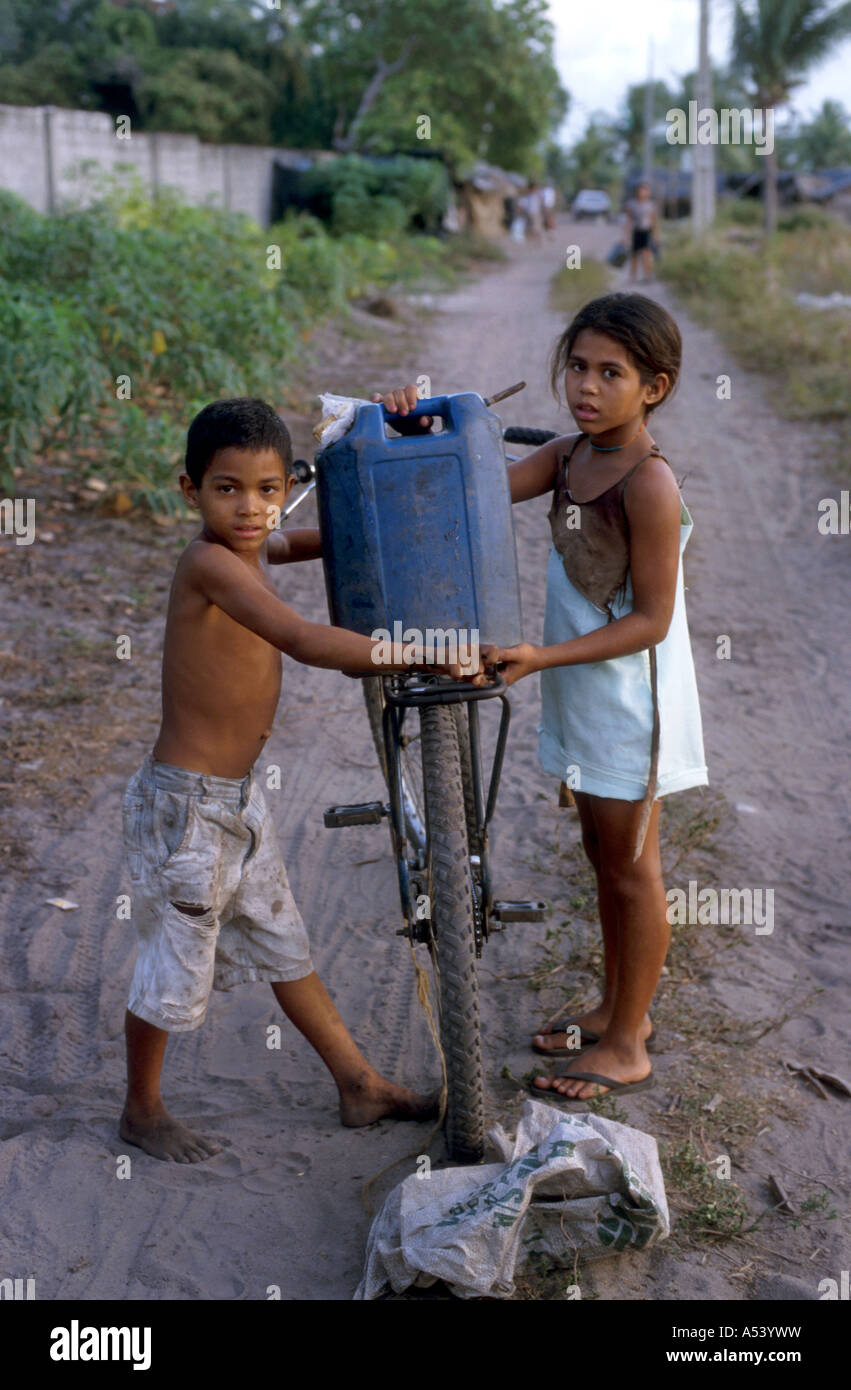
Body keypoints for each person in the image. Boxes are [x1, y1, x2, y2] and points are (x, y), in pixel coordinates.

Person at [120, 397, 489, 1163]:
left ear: (287, 484)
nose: (251, 508)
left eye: (266, 490)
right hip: (187, 809)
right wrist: (421, 650)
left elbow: (333, 538)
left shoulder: (252, 546)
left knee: (286, 947)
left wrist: (395, 468)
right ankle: (142, 1110)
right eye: (227, 489)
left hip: (235, 803)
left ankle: (358, 1083)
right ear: (189, 490)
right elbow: (304, 641)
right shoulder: (210, 564)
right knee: (175, 966)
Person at [377, 292, 707, 1102]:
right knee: (602, 860)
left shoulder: (647, 486)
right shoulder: (567, 455)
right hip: (581, 687)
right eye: (576, 366)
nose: (585, 386)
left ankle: (629, 1041)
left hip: (631, 701)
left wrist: (542, 657)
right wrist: (418, 430)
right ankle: (611, 1008)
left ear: (653, 387)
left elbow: (652, 621)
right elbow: (474, 486)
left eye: (610, 373)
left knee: (633, 869)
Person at [624, 182, 659, 283]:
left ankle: (647, 276)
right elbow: (628, 221)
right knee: (634, 255)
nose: (642, 192)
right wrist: (626, 236)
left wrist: (656, 235)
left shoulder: (650, 205)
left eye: (645, 190)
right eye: (641, 190)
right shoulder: (632, 204)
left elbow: (654, 221)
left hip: (647, 231)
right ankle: (633, 277)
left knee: (647, 254)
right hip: (636, 231)